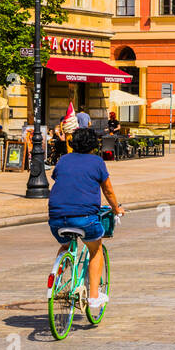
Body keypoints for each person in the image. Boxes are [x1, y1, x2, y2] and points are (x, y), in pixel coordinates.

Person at [48, 127, 124, 317]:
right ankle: (94, 297)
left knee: (65, 244)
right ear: (93, 145)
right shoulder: (97, 162)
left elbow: (60, 179)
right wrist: (116, 209)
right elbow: (108, 191)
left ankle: (57, 279)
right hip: (85, 219)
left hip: (56, 219)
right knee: (96, 249)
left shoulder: (64, 159)